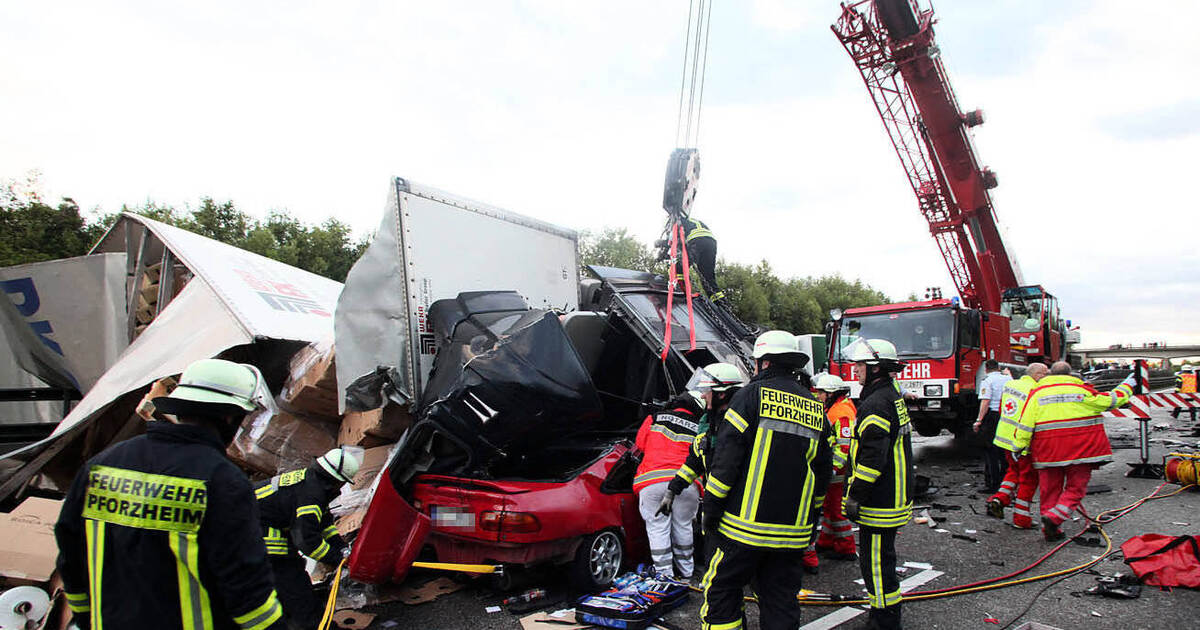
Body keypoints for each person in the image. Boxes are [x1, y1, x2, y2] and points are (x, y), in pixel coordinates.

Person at [54, 358, 285, 630]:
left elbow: (70, 557)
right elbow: (245, 583)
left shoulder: (103, 464)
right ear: (229, 417)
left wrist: (86, 617)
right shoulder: (221, 480)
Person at [699, 330, 832, 630]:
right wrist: (814, 516)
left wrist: (711, 510)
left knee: (721, 592)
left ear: (765, 363)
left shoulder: (749, 396)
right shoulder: (814, 407)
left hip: (743, 530)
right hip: (792, 533)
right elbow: (823, 471)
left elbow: (726, 462)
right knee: (780, 601)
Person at [842, 339, 914, 630]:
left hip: (880, 500)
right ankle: (888, 611)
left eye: (860, 365)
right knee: (884, 559)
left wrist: (855, 494)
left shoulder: (875, 403)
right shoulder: (890, 396)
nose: (855, 370)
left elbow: (872, 459)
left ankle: (884, 620)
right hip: (894, 495)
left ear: (875, 369)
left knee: (875, 564)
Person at [1026, 361, 1135, 541]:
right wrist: (1129, 384)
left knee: (1049, 490)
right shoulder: (1083, 390)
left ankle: (1050, 530)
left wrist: (1020, 447)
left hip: (1047, 451)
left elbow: (1026, 422)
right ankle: (1055, 518)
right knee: (1075, 488)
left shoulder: (1036, 393)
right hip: (1080, 450)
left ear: (1051, 374)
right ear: (1071, 374)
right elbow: (1112, 401)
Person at [255, 447, 361, 629]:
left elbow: (324, 523)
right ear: (335, 479)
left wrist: (340, 546)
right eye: (342, 483)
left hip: (253, 528)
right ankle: (316, 625)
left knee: (283, 584)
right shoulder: (311, 494)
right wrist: (337, 558)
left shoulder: (312, 483)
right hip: (257, 534)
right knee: (294, 583)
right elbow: (307, 541)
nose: (342, 487)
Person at [657, 363, 747, 573]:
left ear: (722, 395)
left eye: (707, 391)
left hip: (734, 507)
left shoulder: (736, 425)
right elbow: (696, 461)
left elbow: (727, 468)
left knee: (727, 567)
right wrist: (672, 489)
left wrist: (712, 507)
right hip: (715, 504)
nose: (704, 395)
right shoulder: (709, 422)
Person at [633, 388, 706, 579]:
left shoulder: (655, 418)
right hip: (686, 482)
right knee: (683, 526)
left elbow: (640, 445)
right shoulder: (700, 425)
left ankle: (664, 576)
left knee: (658, 527)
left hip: (652, 480)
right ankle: (687, 574)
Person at [802, 373, 858, 573]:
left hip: (838, 472)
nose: (818, 396)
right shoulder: (834, 408)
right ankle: (826, 540)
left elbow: (844, 446)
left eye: (822, 393)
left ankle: (846, 547)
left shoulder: (842, 412)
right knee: (828, 507)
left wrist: (832, 469)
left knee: (835, 510)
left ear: (832, 393)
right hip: (833, 470)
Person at [985, 362, 1049, 529]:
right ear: (1039, 375)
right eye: (1046, 374)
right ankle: (1021, 518)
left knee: (1013, 471)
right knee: (1028, 479)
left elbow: (1001, 409)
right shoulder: (1035, 391)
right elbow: (1034, 418)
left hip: (1004, 438)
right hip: (1022, 441)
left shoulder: (1010, 385)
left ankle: (1000, 498)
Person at [975, 360, 1012, 492]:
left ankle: (993, 483)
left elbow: (986, 401)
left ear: (986, 369)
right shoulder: (1008, 379)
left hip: (992, 416)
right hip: (1007, 416)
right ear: (998, 368)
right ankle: (1006, 482)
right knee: (1004, 451)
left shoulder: (987, 381)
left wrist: (979, 420)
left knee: (990, 451)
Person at [679, 216, 724, 302]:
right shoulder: (692, 221)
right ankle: (720, 302)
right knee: (708, 277)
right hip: (711, 242)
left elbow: (672, 241)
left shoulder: (676, 220)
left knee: (679, 267)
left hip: (696, 240)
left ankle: (682, 291)